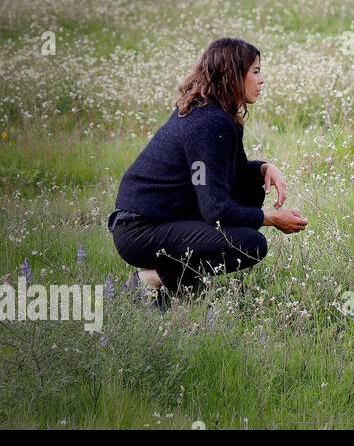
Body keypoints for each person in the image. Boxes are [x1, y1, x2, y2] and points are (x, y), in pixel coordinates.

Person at [107, 37, 308, 305]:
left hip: (154, 223)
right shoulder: (209, 123)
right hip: (140, 230)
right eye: (256, 72)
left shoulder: (212, 113)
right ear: (234, 74)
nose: (262, 80)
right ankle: (154, 278)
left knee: (249, 192)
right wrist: (271, 217)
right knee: (251, 243)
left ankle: (178, 286)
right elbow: (216, 210)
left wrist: (263, 168)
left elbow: (227, 174)